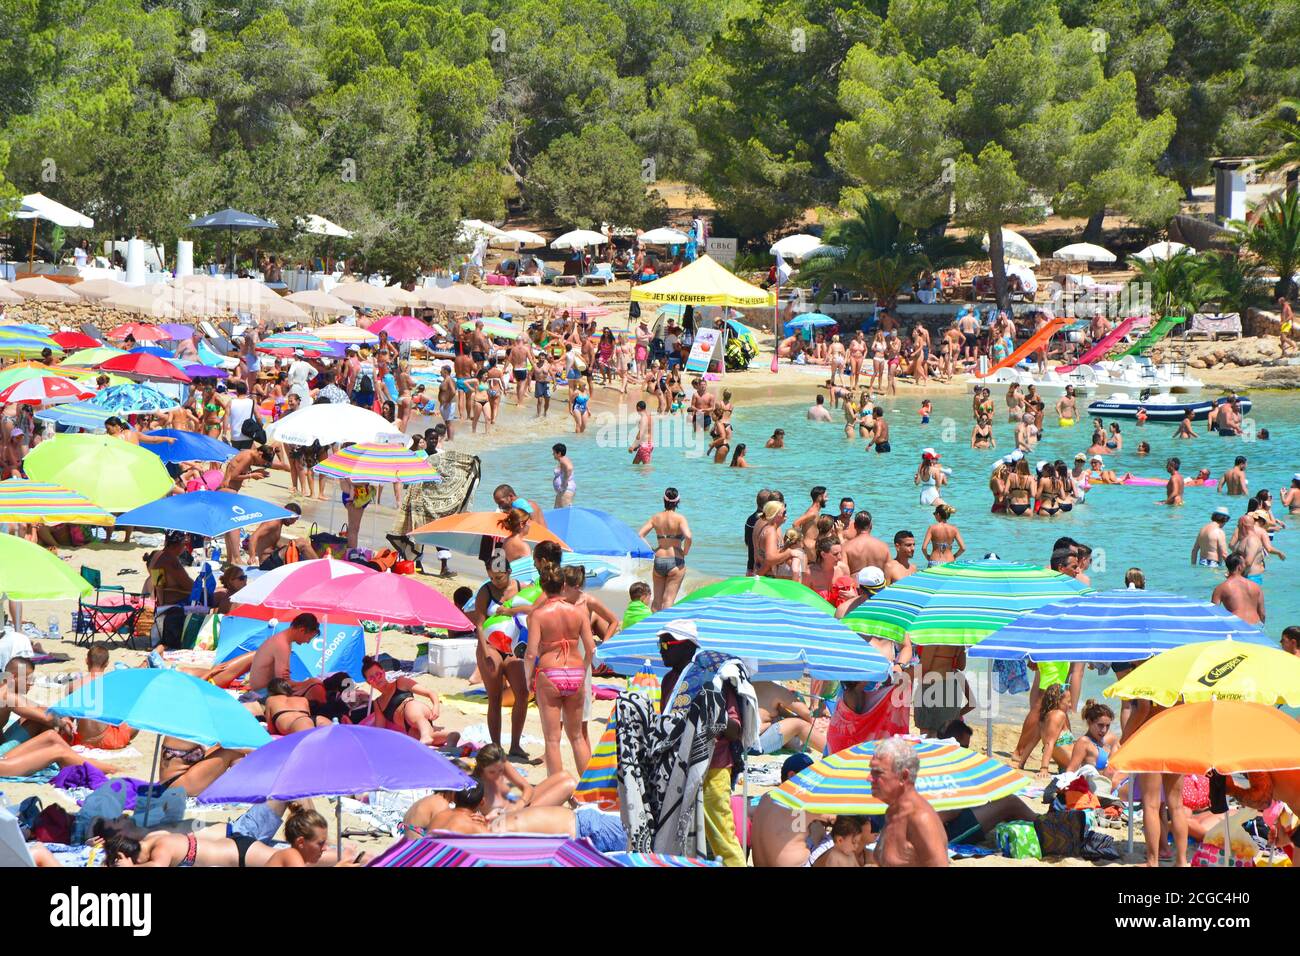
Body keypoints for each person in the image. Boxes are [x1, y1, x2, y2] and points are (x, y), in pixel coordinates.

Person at [657, 621, 746, 867]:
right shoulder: (668, 682)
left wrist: (712, 712)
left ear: (687, 647)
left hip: (714, 765)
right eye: (659, 644)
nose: (661, 650)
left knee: (720, 834)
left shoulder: (714, 679)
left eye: (666, 644)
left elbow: (735, 730)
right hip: (679, 767)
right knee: (677, 832)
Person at [524, 565, 596, 776]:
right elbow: (591, 649)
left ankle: (556, 786)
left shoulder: (538, 614)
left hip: (550, 673)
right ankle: (588, 788)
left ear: (543, 588)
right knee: (577, 737)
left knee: (552, 739)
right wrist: (582, 669)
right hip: (575, 673)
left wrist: (528, 677)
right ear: (564, 585)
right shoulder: (579, 612)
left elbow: (530, 654)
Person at [872, 737, 948, 867]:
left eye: (878, 773)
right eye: (871, 771)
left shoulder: (920, 819)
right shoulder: (893, 811)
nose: (869, 778)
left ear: (904, 776)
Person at [751, 753, 832, 867]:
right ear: (792, 775)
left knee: (807, 826)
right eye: (810, 776)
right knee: (840, 838)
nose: (815, 782)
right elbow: (836, 819)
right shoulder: (798, 801)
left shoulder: (766, 797)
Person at [362, 657, 456, 747]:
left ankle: (426, 735)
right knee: (420, 738)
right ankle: (449, 736)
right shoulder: (378, 703)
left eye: (378, 674)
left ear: (383, 672)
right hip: (408, 726)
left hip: (417, 711)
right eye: (372, 678)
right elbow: (380, 729)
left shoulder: (400, 682)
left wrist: (436, 707)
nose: (377, 679)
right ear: (368, 683)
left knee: (410, 709)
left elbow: (430, 693)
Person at [471, 743, 575, 814]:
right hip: (514, 818)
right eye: (492, 772)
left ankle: (576, 810)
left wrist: (520, 803)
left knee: (565, 775)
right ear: (481, 768)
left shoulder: (500, 763)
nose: (498, 775)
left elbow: (527, 788)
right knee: (569, 785)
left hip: (521, 805)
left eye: (501, 771)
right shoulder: (475, 785)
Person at [246, 613, 324, 706]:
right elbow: (282, 684)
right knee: (315, 688)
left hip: (264, 689)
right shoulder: (282, 645)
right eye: (309, 638)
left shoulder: (282, 640)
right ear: (302, 630)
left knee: (313, 685)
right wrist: (310, 682)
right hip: (264, 693)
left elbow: (283, 680)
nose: (307, 642)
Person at [639, 487, 691, 611]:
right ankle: (664, 628)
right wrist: (685, 551)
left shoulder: (656, 518)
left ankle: (653, 626)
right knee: (668, 601)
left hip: (659, 559)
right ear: (678, 501)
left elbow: (640, 535)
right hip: (676, 560)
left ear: (664, 500)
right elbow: (688, 536)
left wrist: (652, 550)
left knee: (657, 601)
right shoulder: (680, 518)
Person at [1210, 553, 1265, 624]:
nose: (1246, 566)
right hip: (1256, 625)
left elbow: (1214, 613)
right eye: (1244, 564)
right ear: (1239, 567)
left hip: (1236, 625)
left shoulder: (1221, 588)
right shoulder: (1256, 586)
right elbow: (1262, 614)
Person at [551, 443, 575, 508]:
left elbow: (569, 468)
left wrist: (564, 483)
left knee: (564, 513)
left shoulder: (563, 460)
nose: (552, 454)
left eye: (554, 452)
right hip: (562, 491)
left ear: (559, 453)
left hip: (566, 490)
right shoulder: (563, 460)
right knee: (556, 511)